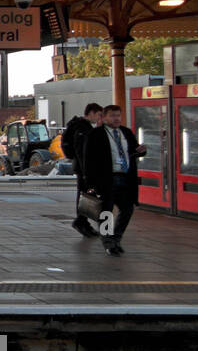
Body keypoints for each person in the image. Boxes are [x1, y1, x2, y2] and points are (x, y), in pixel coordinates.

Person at [81, 104, 147, 257]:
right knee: (106, 212)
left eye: (118, 115)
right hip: (106, 179)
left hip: (125, 177)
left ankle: (116, 238)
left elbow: (132, 151)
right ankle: (108, 242)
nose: (116, 119)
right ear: (104, 118)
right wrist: (90, 182)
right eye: (112, 116)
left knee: (127, 209)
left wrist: (140, 151)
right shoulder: (95, 135)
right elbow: (88, 159)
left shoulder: (126, 132)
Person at [62, 102, 103, 239]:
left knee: (87, 195)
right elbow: (81, 152)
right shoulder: (82, 128)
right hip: (84, 168)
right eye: (98, 115)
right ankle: (81, 222)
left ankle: (83, 222)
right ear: (91, 113)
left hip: (84, 168)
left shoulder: (83, 127)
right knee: (86, 195)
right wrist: (86, 172)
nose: (99, 118)